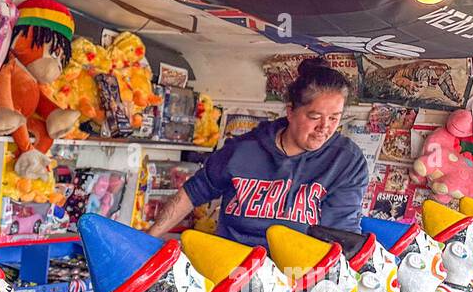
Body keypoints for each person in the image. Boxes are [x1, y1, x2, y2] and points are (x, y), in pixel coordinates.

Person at [149, 59, 368, 247]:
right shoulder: (243, 149)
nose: (324, 128)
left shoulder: (346, 161)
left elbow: (341, 236)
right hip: (230, 270)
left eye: (334, 118)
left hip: (298, 278)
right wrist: (146, 242)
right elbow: (190, 194)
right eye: (314, 117)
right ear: (291, 112)